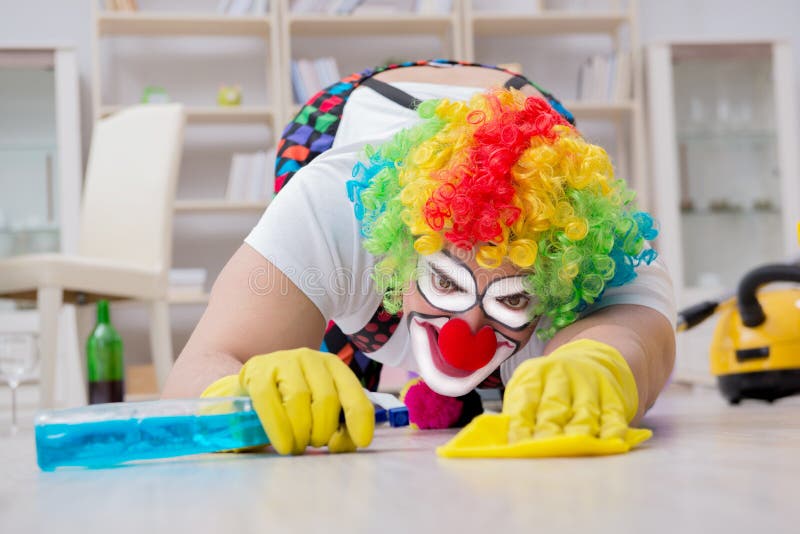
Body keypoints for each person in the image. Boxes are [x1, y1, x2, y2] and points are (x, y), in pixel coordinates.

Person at [162, 60, 676, 456]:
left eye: (515, 296)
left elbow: (639, 342)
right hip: (366, 102)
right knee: (321, 372)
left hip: (531, 111)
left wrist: (598, 365)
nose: (465, 333)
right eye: (446, 283)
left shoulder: (595, 242)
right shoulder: (331, 208)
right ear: (396, 253)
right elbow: (197, 369)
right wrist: (242, 393)